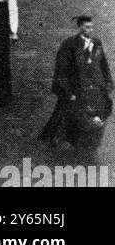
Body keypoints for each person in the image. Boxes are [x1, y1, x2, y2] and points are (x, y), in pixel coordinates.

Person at [38, 15, 113, 147]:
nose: (90, 30)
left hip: (93, 86)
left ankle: (85, 140)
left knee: (92, 111)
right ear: (80, 27)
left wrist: (108, 82)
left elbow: (103, 64)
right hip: (76, 86)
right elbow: (62, 68)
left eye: (91, 27)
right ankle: (59, 139)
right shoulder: (69, 44)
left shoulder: (97, 43)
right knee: (66, 113)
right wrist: (67, 90)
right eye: (87, 27)